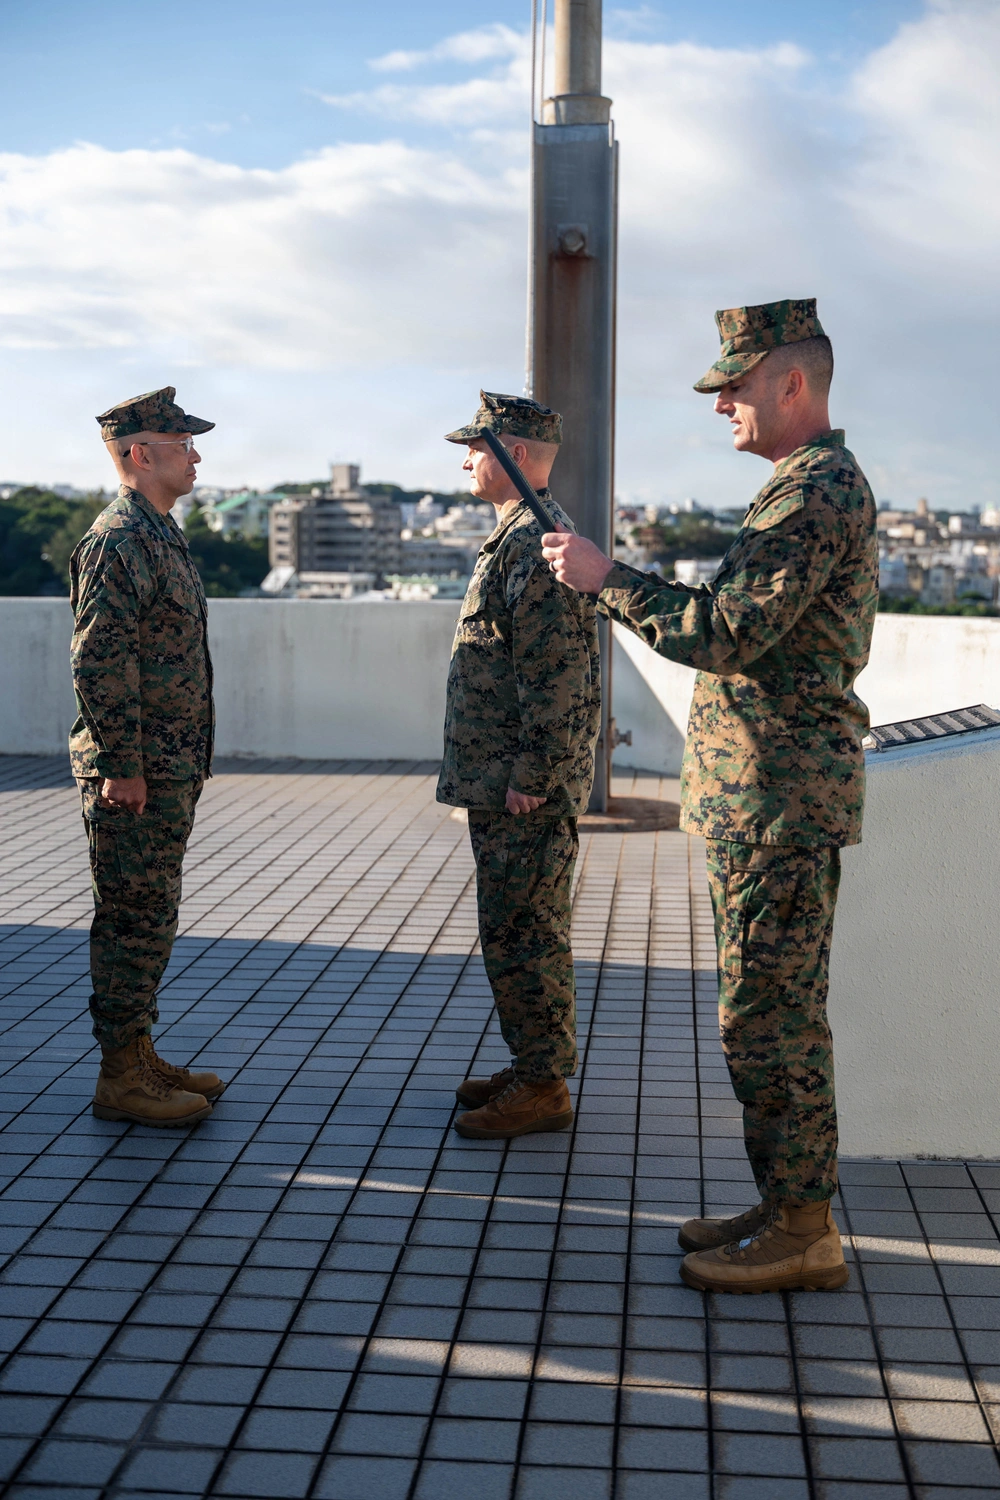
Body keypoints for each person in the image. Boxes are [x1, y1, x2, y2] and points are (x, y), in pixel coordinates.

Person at [542, 300, 878, 1292]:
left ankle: (804, 1230)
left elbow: (723, 632)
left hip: (778, 800)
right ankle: (784, 1202)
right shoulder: (799, 486)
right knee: (765, 1008)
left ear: (792, 382)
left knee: (767, 1016)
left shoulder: (812, 491)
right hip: (766, 797)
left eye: (735, 383)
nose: (721, 401)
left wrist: (607, 579)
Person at [438, 391, 601, 1140]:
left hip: (522, 790)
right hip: (504, 781)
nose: (468, 459)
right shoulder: (516, 539)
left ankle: (542, 1084)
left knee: (526, 931)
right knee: (513, 927)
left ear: (520, 458)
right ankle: (533, 1063)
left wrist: (533, 775)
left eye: (478, 446)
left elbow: (557, 675)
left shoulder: (538, 544)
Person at [70, 386, 226, 1127]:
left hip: (165, 764)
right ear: (140, 454)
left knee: (151, 913)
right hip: (135, 772)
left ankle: (139, 1054)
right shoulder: (118, 539)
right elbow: (100, 660)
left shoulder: (157, 531)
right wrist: (120, 765)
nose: (196, 454)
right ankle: (119, 1076)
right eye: (182, 443)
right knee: (130, 917)